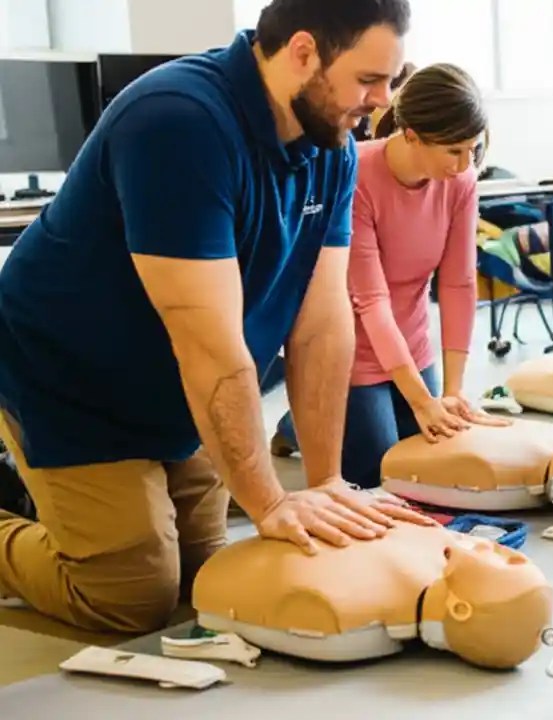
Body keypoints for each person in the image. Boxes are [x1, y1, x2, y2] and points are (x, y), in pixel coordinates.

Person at [0, 0, 429, 634]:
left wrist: (326, 481)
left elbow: (323, 321)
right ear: (304, 52)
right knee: (132, 596)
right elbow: (208, 344)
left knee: (207, 581)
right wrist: (271, 501)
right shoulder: (179, 124)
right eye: (369, 80)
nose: (382, 100)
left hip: (172, 385)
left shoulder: (329, 144)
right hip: (67, 383)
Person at [271, 63, 510, 488]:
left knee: (430, 461)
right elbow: (370, 300)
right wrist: (421, 400)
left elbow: (458, 283)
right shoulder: (356, 173)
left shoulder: (461, 180)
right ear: (412, 134)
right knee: (380, 474)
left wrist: (452, 392)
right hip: (350, 347)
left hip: (410, 341)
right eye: (453, 151)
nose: (463, 165)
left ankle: (324, 416)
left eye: (471, 150)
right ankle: (302, 421)